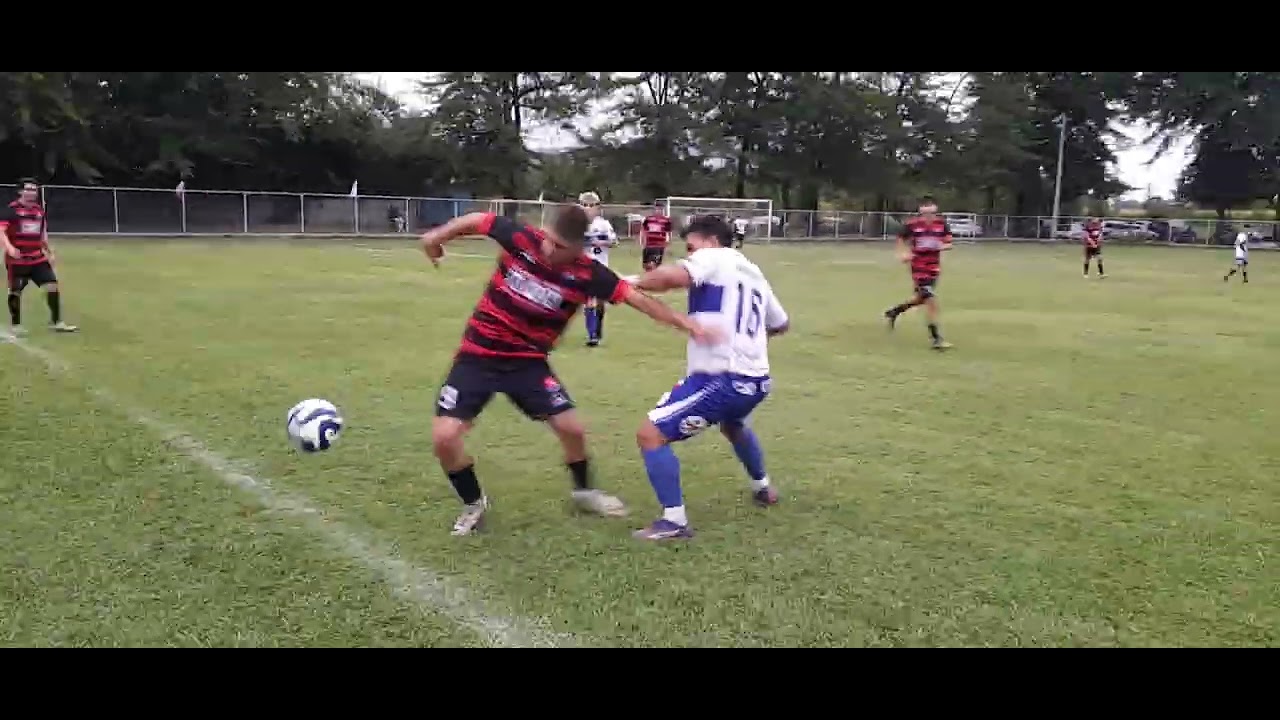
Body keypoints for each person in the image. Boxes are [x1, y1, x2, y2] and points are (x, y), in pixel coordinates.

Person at [420, 205, 716, 536]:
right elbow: (479, 220)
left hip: (527, 363)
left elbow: (638, 299)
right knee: (444, 438)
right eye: (550, 240)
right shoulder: (522, 238)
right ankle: (473, 504)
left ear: (580, 248)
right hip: (478, 355)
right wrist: (437, 236)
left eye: (561, 247)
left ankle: (584, 492)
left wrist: (685, 323)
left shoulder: (590, 274)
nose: (550, 249)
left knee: (572, 429)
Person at [623, 215, 790, 541]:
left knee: (650, 435)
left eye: (690, 247)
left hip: (721, 378)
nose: (688, 254)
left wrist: (630, 280)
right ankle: (764, 488)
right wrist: (750, 343)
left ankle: (674, 522)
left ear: (710, 240)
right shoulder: (754, 272)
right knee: (733, 425)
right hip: (757, 380)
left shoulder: (713, 256)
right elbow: (781, 323)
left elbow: (674, 277)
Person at [2, 179, 78, 335]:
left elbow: (41, 234)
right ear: (20, 191)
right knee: (16, 290)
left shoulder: (39, 211)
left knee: (52, 286)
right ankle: (16, 325)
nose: (32, 193)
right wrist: (9, 247)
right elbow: (1, 231)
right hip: (18, 259)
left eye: (34, 190)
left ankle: (56, 322)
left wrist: (49, 251)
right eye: (28, 189)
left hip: (37, 258)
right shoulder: (11, 210)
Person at [883, 195, 952, 350]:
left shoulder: (942, 224)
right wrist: (902, 254)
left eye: (932, 213)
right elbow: (900, 239)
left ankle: (895, 311)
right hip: (918, 267)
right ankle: (936, 339)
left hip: (934, 267)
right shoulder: (912, 225)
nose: (929, 217)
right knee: (931, 301)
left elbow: (949, 243)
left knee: (921, 299)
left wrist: (941, 246)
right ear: (921, 213)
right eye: (926, 213)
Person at [578, 192, 617, 347]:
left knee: (600, 302)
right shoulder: (577, 225)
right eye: (584, 205)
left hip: (601, 267)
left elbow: (614, 242)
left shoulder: (603, 224)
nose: (588, 208)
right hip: (584, 267)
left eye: (591, 205)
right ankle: (592, 335)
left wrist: (600, 242)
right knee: (589, 300)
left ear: (597, 207)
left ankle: (597, 330)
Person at [639, 202, 673, 271]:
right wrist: (642, 241)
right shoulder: (648, 219)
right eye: (656, 209)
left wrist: (668, 245)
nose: (658, 211)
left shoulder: (666, 220)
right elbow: (643, 230)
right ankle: (648, 277)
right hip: (648, 245)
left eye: (660, 209)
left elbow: (668, 233)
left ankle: (654, 278)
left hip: (659, 246)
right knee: (646, 265)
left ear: (662, 210)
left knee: (654, 264)